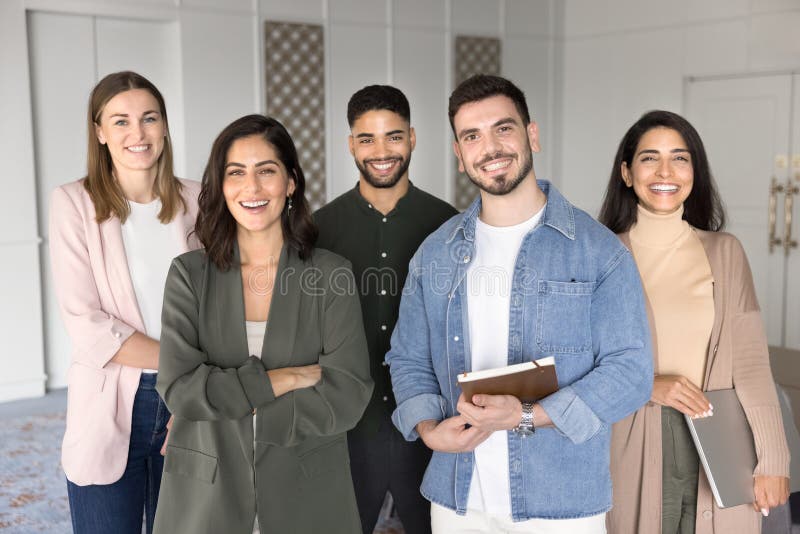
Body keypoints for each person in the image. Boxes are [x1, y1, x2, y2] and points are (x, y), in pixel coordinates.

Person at [386, 74, 653, 533]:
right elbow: (408, 357)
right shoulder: (435, 253)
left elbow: (630, 371)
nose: (490, 147)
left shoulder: (599, 251)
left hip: (562, 503)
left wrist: (527, 415)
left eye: (503, 129)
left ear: (532, 134)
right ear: (459, 152)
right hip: (457, 499)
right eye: (472, 135)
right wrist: (429, 428)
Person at [154, 114, 373, 534]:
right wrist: (285, 379)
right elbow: (180, 389)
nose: (251, 188)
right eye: (236, 173)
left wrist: (233, 406)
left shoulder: (331, 274)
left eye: (266, 171)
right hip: (206, 490)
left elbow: (347, 392)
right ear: (220, 185)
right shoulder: (188, 275)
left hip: (307, 489)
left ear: (290, 182)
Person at [599, 110, 790, 534]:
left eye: (680, 158)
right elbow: (581, 362)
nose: (665, 171)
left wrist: (774, 459)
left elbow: (753, 365)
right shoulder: (601, 256)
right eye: (650, 158)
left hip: (719, 438)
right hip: (630, 438)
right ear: (627, 173)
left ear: (695, 172)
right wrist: (648, 385)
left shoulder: (725, 251)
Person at [49, 70, 200, 534]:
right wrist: (190, 362)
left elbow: (221, 307)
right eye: (120, 121)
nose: (138, 133)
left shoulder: (200, 199)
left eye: (149, 118)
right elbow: (88, 324)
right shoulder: (73, 203)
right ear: (99, 131)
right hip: (112, 401)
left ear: (165, 125)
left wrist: (196, 391)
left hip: (189, 403)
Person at [314, 84, 457, 534]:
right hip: (344, 431)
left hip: (433, 426)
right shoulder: (316, 230)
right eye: (367, 139)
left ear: (412, 138)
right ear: (350, 144)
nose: (381, 151)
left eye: (393, 136)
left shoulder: (450, 226)